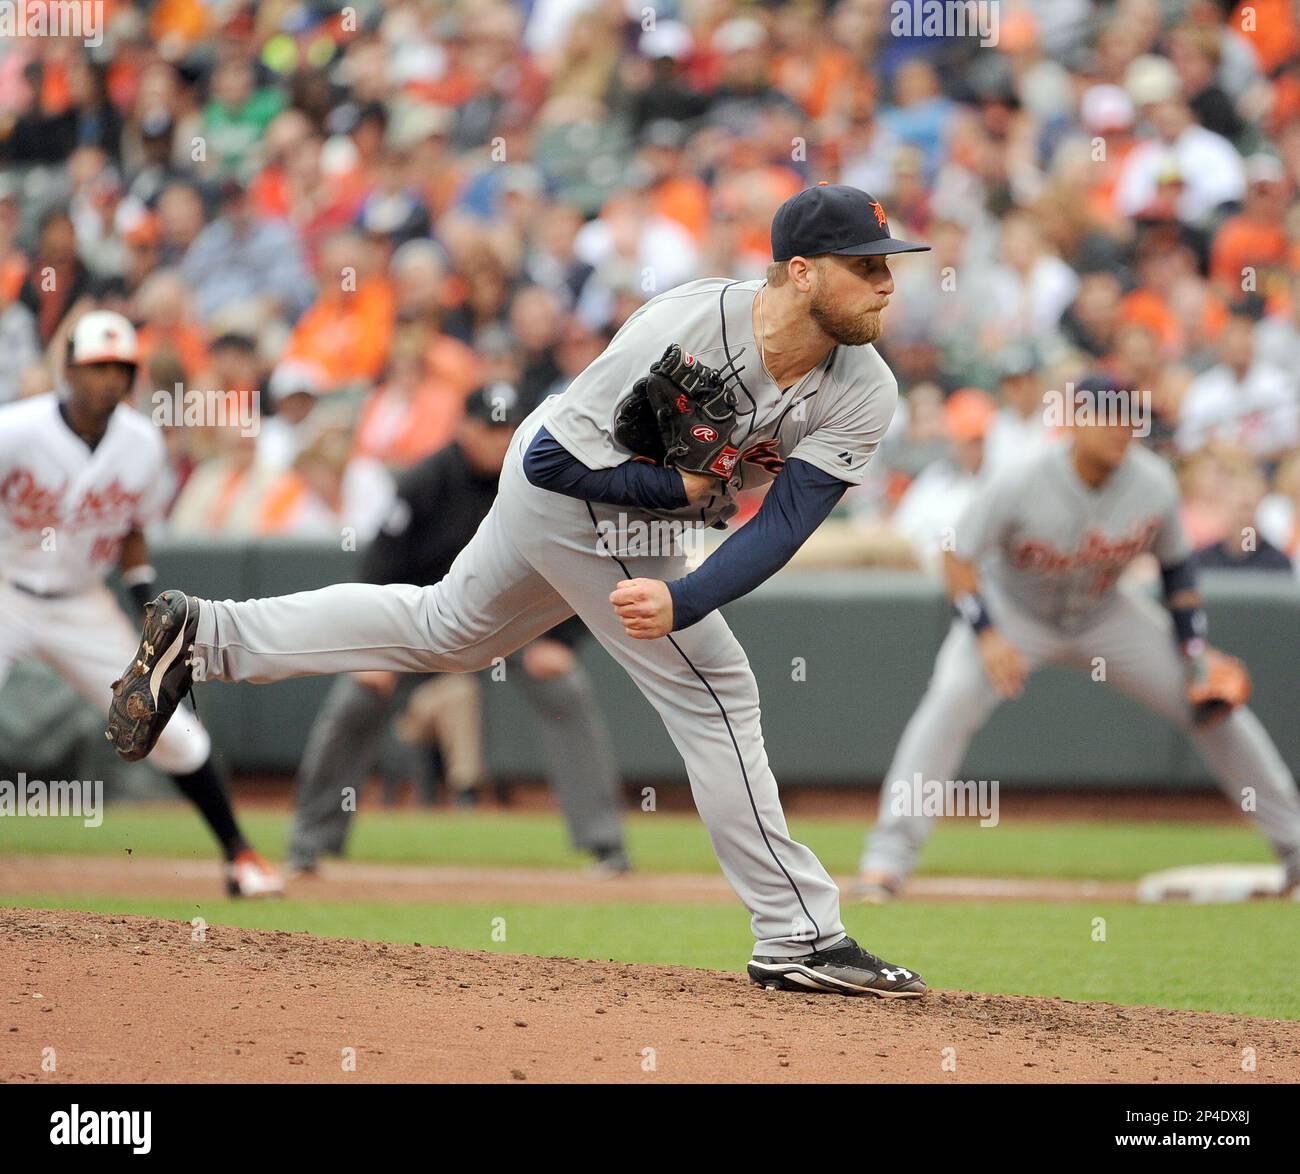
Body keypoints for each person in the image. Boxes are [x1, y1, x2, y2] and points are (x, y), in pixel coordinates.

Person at [107, 184, 931, 998]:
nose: (887, 283)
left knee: (447, 632)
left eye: (888, 266)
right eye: (865, 266)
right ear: (799, 272)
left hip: (625, 514)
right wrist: (679, 498)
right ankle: (800, 936)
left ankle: (204, 634)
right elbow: (550, 466)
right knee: (715, 685)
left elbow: (785, 523)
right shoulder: (687, 322)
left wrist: (689, 595)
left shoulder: (866, 387)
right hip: (567, 485)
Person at [856, 375, 1300, 901]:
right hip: (1013, 612)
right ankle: (885, 864)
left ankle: (1295, 848)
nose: (1120, 430)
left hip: (1105, 613)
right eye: (1107, 416)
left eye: (1128, 418)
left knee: (1215, 706)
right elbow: (957, 556)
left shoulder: (1153, 481)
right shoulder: (1022, 478)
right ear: (1075, 419)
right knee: (948, 703)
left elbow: (1177, 572)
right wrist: (987, 633)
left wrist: (1195, 653)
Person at [286, 384, 630, 875]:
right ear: (464, 429)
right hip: (423, 617)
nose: (500, 438)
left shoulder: (539, 476)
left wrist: (560, 640)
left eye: (508, 428)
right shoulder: (426, 481)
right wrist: (371, 651)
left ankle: (606, 845)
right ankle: (308, 842)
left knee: (566, 689)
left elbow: (575, 561)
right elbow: (379, 568)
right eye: (490, 429)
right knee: (356, 699)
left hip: (510, 623)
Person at [0, 311, 281, 897]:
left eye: (120, 368)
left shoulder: (141, 442)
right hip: (6, 589)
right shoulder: (16, 430)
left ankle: (241, 856)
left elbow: (132, 532)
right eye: (97, 366)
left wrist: (143, 602)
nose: (108, 378)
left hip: (80, 602)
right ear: (68, 368)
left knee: (169, 727)